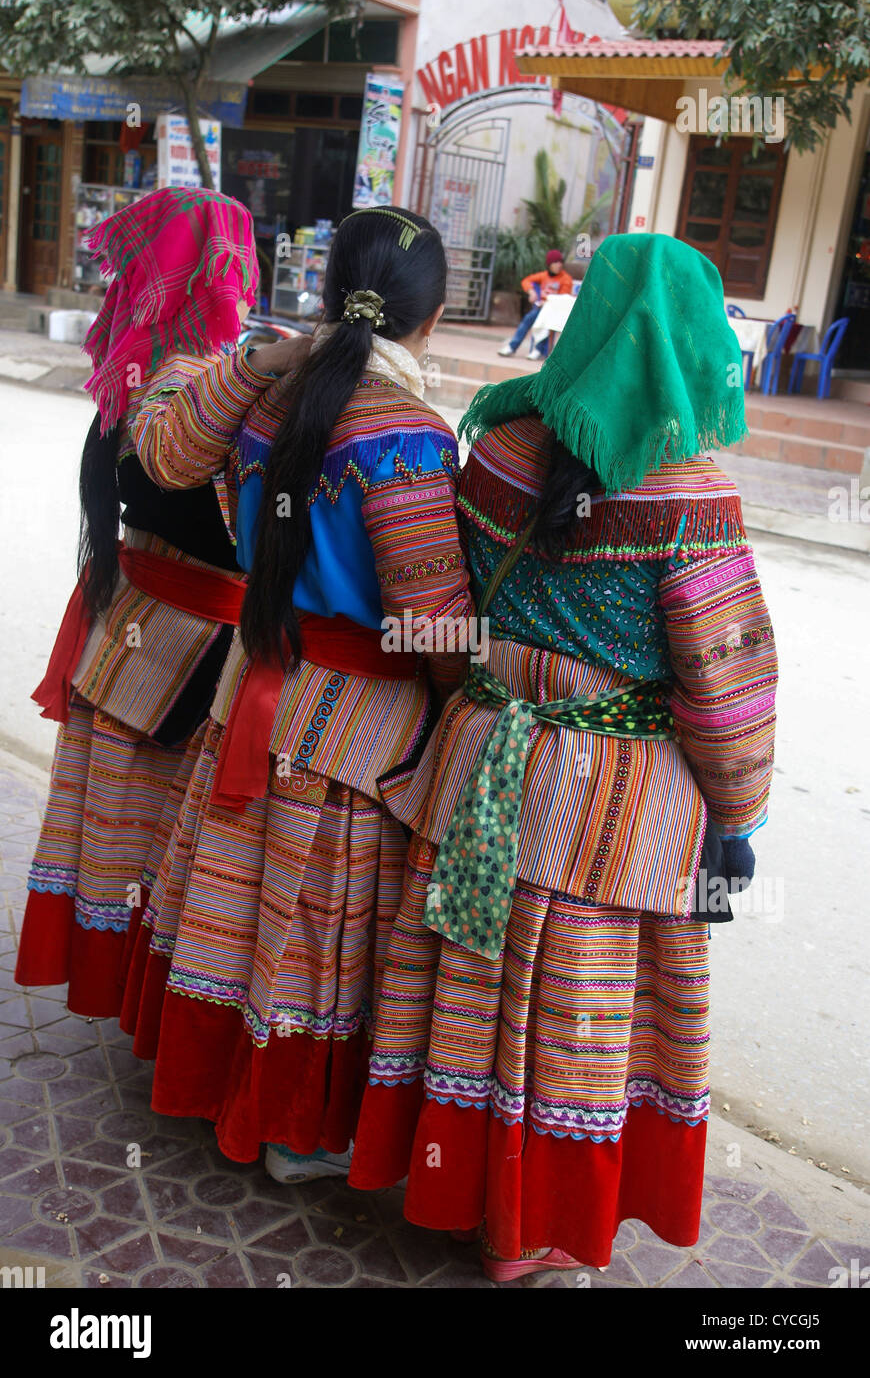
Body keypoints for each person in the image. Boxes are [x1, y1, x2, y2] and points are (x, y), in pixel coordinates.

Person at [347, 233, 778, 1279]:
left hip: (481, 769)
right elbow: (725, 684)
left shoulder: (497, 443)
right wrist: (740, 816)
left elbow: (445, 598)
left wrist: (474, 706)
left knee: (471, 993)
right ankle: (527, 1227)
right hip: (613, 818)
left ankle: (453, 1192)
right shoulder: (690, 495)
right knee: (571, 1026)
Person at [117, 206, 474, 1181]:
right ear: (432, 319)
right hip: (356, 725)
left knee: (237, 899)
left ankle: (211, 1084)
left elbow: (165, 456)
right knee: (317, 923)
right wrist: (460, 695)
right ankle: (291, 1129)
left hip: (260, 686)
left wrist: (253, 364)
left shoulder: (269, 397)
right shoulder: (407, 435)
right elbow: (432, 616)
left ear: (323, 294)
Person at [14, 186, 296, 1017]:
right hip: (189, 653)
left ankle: (114, 989)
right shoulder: (211, 385)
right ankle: (143, 1007)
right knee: (167, 854)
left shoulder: (126, 370)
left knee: (115, 839)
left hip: (130, 636)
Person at [498, 248, 574, 361]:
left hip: (554, 311)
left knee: (542, 321)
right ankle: (512, 346)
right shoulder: (543, 276)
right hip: (541, 307)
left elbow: (563, 298)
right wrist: (531, 292)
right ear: (549, 264)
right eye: (555, 262)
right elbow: (526, 281)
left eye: (560, 262)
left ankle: (538, 349)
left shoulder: (566, 279)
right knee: (528, 319)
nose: (558, 265)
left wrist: (547, 301)